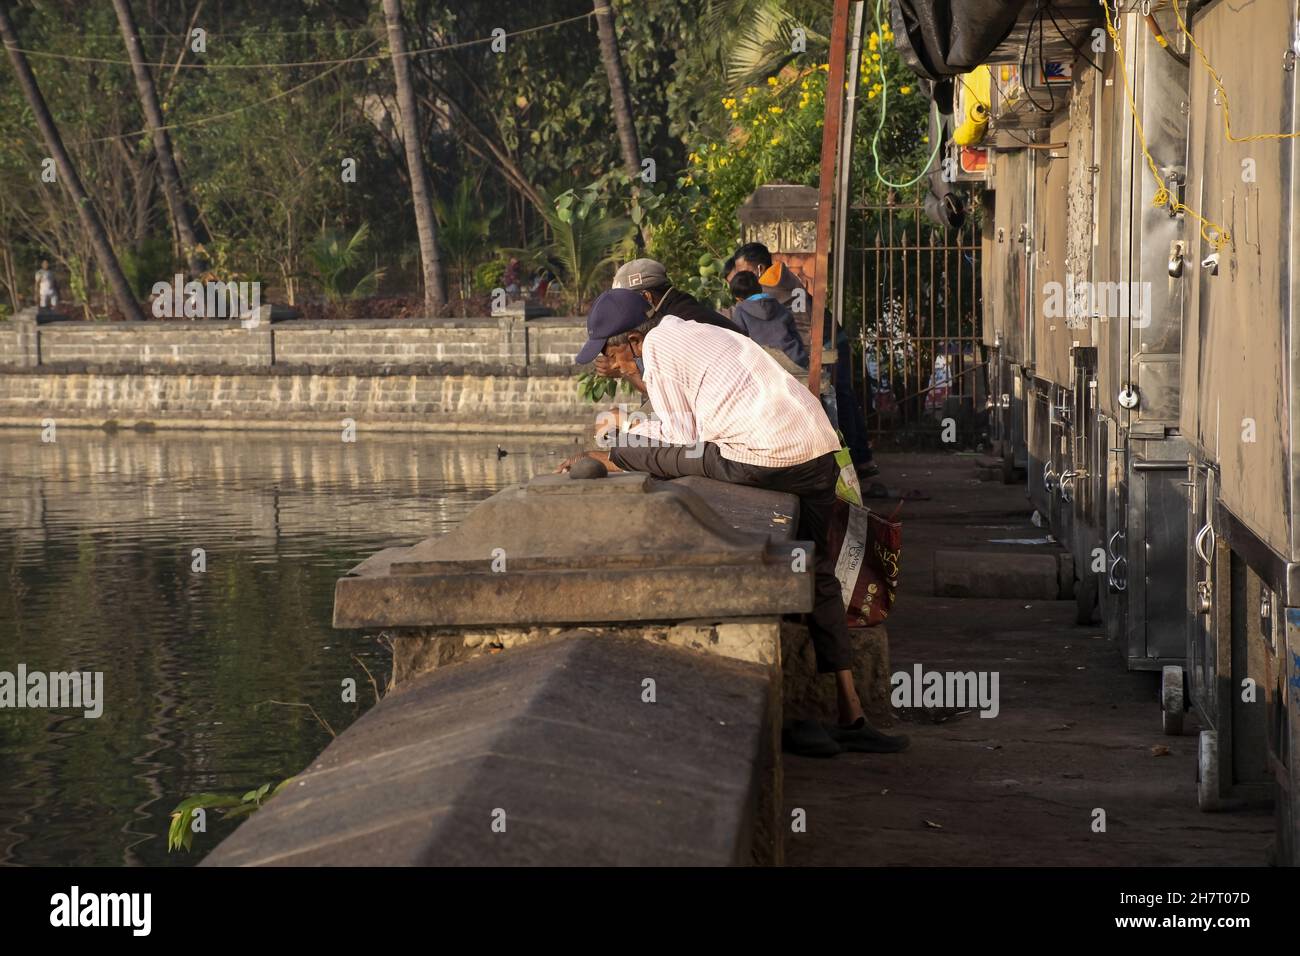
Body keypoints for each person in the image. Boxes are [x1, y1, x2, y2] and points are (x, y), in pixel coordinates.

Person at [560, 289, 908, 754]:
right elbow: (685, 423)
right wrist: (635, 423)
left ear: (632, 341)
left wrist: (617, 451)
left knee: (663, 460)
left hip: (764, 457)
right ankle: (851, 712)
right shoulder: (690, 333)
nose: (608, 361)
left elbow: (683, 444)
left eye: (609, 351)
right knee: (818, 571)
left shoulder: (659, 349)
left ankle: (800, 713)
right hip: (815, 448)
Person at [727, 242, 878, 480]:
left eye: (741, 270)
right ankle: (859, 460)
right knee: (842, 398)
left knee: (837, 400)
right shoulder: (781, 280)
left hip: (824, 345)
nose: (739, 276)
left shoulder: (767, 290)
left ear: (756, 269)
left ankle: (853, 461)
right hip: (823, 343)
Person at [728, 270, 808, 369]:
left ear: (738, 298)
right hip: (794, 358)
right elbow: (795, 334)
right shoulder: (779, 306)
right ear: (760, 288)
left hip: (765, 365)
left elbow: (741, 342)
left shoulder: (741, 312)